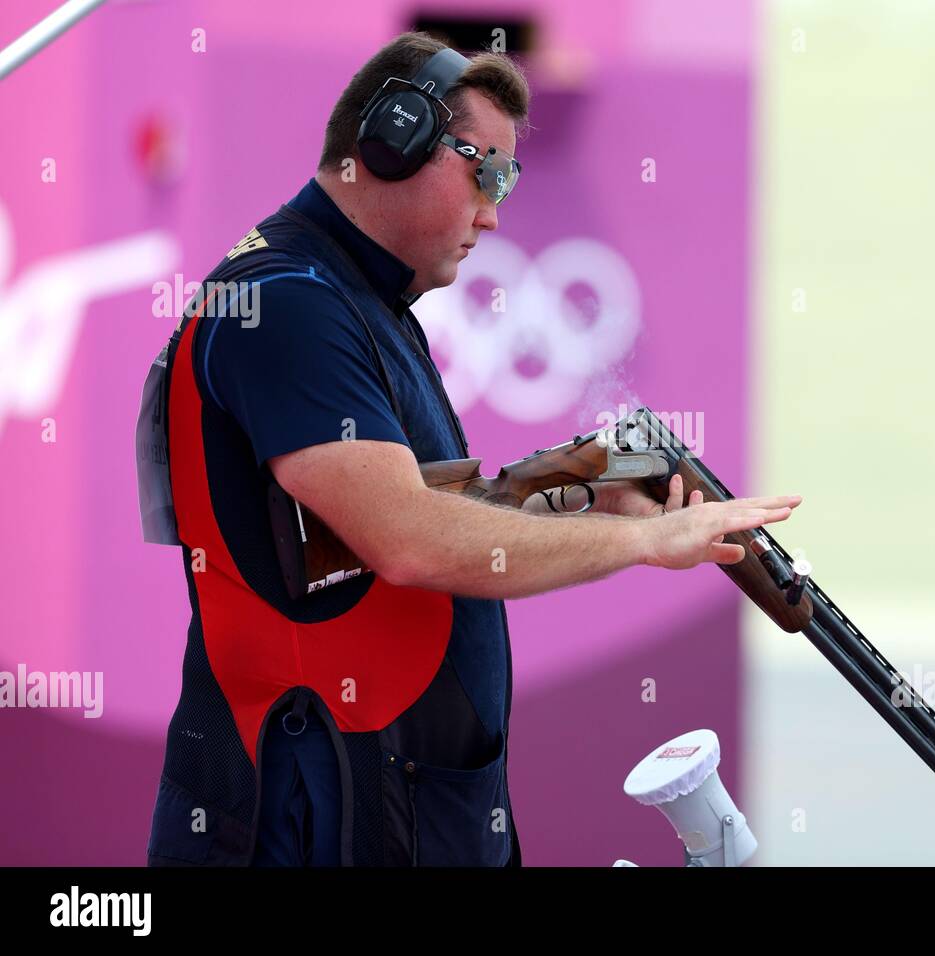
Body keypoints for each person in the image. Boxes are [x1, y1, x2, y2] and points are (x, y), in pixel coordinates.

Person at [143, 31, 800, 867]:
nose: (494, 211)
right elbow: (409, 541)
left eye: (510, 178)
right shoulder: (289, 304)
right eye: (485, 173)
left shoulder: (353, 299)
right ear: (394, 140)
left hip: (383, 798)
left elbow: (361, 533)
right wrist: (644, 538)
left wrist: (578, 484)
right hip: (314, 811)